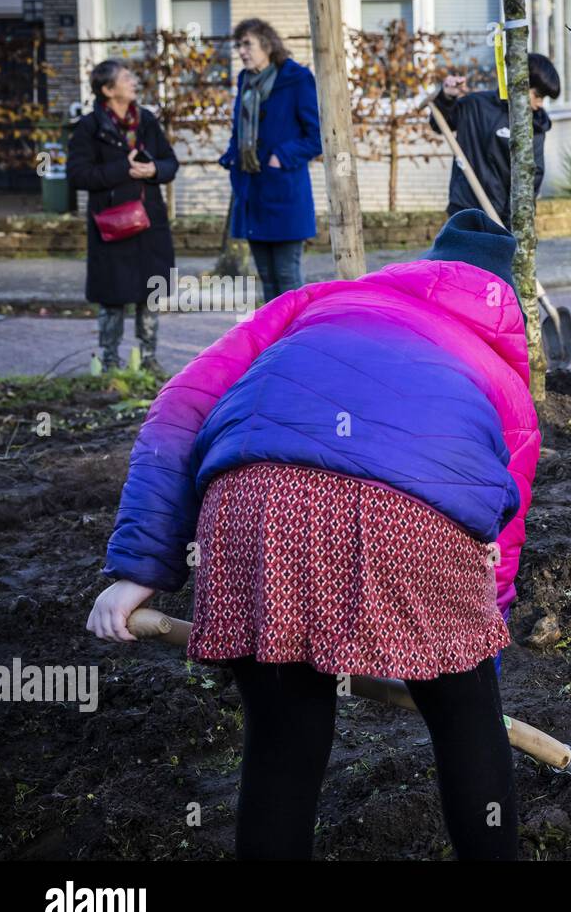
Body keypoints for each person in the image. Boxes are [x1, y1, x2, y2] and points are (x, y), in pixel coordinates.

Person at [85, 210, 540, 860]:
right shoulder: (506, 383)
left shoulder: (321, 301)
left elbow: (181, 404)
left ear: (425, 265)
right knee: (468, 722)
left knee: (282, 744)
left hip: (255, 504)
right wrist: (476, 649)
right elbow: (500, 531)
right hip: (414, 522)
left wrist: (142, 565)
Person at [66, 59, 178, 374]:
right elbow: (78, 175)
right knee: (112, 296)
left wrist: (154, 169)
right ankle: (110, 361)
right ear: (108, 89)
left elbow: (171, 162)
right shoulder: (89, 127)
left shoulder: (146, 121)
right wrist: (122, 170)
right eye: (126, 77)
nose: (133, 82)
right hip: (111, 226)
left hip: (149, 223)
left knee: (150, 292)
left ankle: (148, 359)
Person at [219, 18, 322, 303]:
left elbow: (317, 136)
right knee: (265, 276)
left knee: (288, 275)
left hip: (284, 191)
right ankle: (275, 341)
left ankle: (297, 340)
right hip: (252, 191)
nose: (241, 51)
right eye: (238, 45)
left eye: (247, 44)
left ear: (267, 44)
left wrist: (282, 155)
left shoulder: (296, 78)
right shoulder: (245, 80)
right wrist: (231, 155)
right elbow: (239, 130)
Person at [432, 54, 561, 228]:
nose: (539, 104)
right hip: (464, 209)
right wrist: (446, 97)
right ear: (519, 84)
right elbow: (439, 125)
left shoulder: (534, 124)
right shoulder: (475, 106)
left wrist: (512, 220)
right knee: (460, 256)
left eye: (543, 98)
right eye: (537, 95)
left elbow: (533, 175)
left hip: (503, 217)